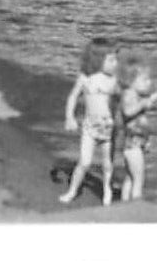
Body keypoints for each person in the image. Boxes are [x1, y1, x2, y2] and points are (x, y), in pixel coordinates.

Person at [59, 38, 120, 206]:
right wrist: (69, 117)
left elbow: (122, 100)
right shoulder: (86, 78)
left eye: (116, 59)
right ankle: (72, 191)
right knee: (84, 162)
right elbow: (73, 96)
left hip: (109, 127)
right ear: (98, 60)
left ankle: (108, 191)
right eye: (111, 60)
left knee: (107, 164)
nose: (115, 64)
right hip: (90, 127)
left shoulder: (114, 80)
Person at [118, 56, 157, 201]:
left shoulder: (138, 95)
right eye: (145, 80)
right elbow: (128, 112)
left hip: (138, 142)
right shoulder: (129, 94)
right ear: (131, 81)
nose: (149, 83)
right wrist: (144, 103)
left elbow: (142, 122)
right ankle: (136, 206)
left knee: (130, 177)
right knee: (138, 179)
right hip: (132, 145)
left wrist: (147, 140)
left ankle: (124, 204)